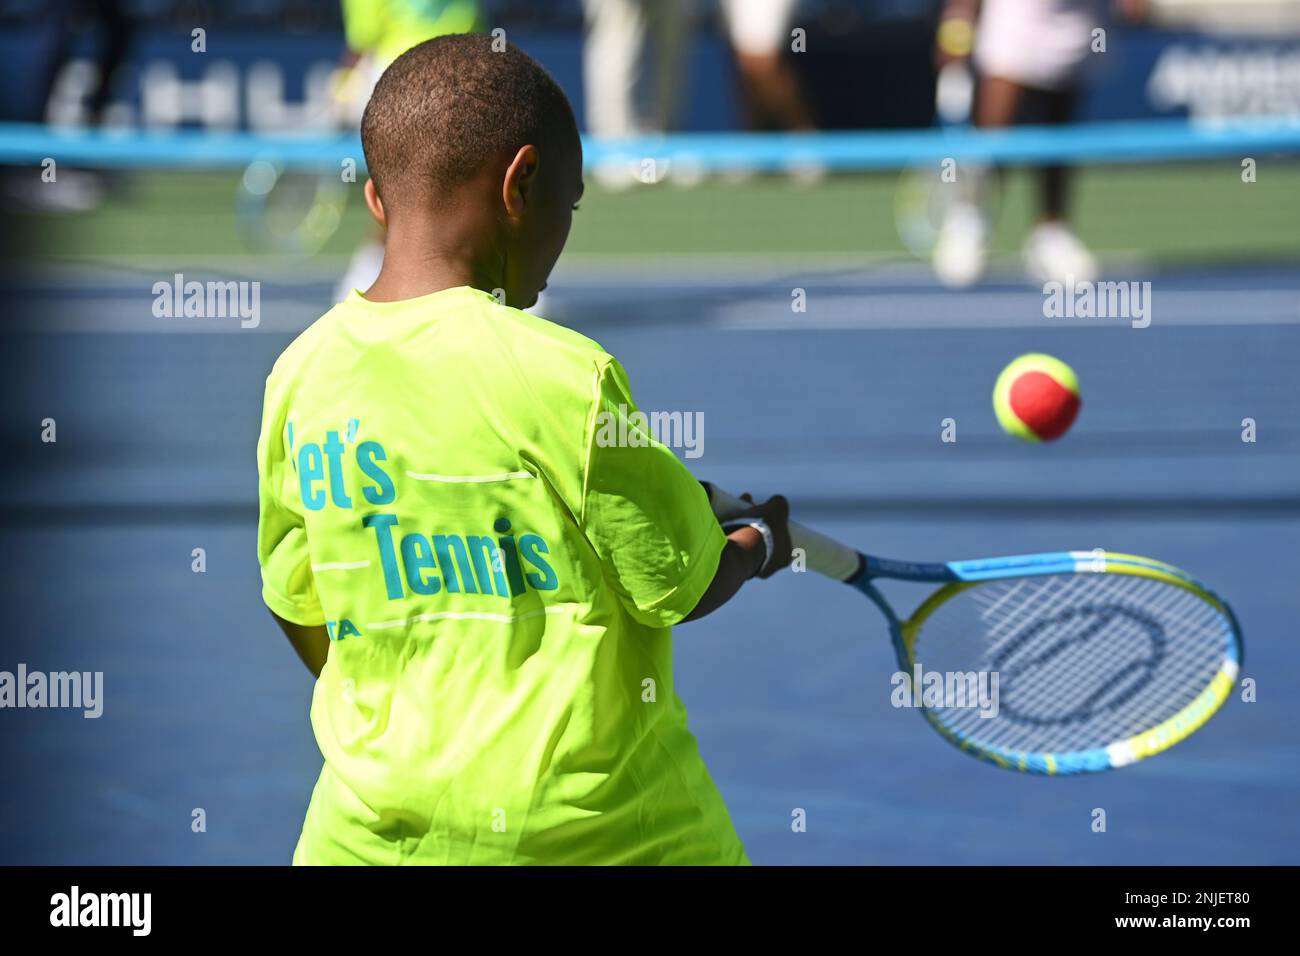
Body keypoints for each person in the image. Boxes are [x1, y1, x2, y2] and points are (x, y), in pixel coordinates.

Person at [256, 34, 793, 866]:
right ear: (523, 183)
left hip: (364, 841)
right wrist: (760, 547)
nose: (563, 234)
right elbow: (677, 585)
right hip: (605, 838)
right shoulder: (568, 375)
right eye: (568, 206)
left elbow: (301, 607)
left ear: (376, 200)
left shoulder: (298, 378)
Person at [932, 0, 1104, 287]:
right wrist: (958, 19)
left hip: (1077, 18)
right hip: (1015, 15)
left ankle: (1051, 235)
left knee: (1059, 135)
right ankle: (969, 223)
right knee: (994, 135)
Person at [332, 0, 484, 302]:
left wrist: (347, 75)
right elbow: (364, 35)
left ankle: (371, 271)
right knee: (416, 190)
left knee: (455, 186)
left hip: (456, 70)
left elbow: (362, 38)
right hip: (405, 78)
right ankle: (368, 270)